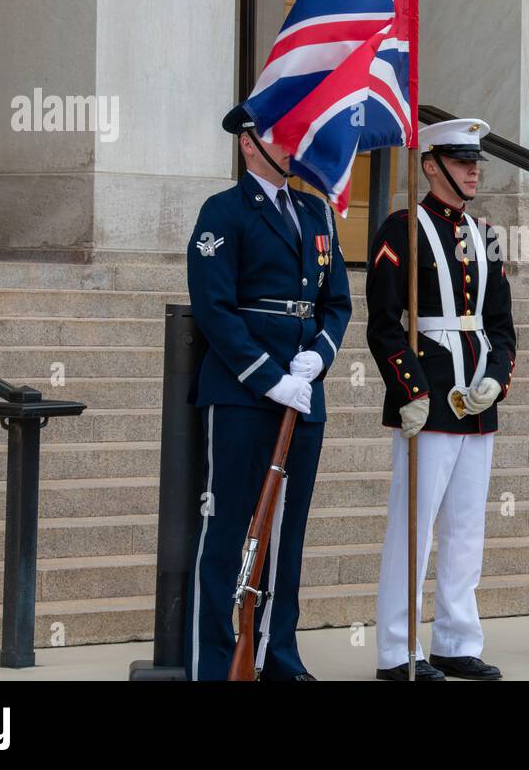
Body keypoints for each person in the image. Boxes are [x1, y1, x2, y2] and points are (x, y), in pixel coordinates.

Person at [182, 120, 351, 681]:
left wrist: (319, 357)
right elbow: (214, 307)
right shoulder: (224, 211)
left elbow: (337, 305)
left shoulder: (317, 213)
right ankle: (215, 659)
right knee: (228, 526)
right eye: (280, 135)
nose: (293, 145)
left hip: (303, 392)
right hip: (240, 391)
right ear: (247, 143)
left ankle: (276, 653)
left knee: (287, 531)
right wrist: (268, 377)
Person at [366, 118, 517, 681]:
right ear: (430, 165)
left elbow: (501, 325)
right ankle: (399, 650)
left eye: (475, 160)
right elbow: (384, 324)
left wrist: (496, 378)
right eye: (460, 160)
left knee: (465, 527)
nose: (473, 169)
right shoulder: (400, 228)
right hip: (426, 394)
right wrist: (410, 389)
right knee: (414, 528)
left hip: (477, 398)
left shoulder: (484, 233)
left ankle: (456, 639)